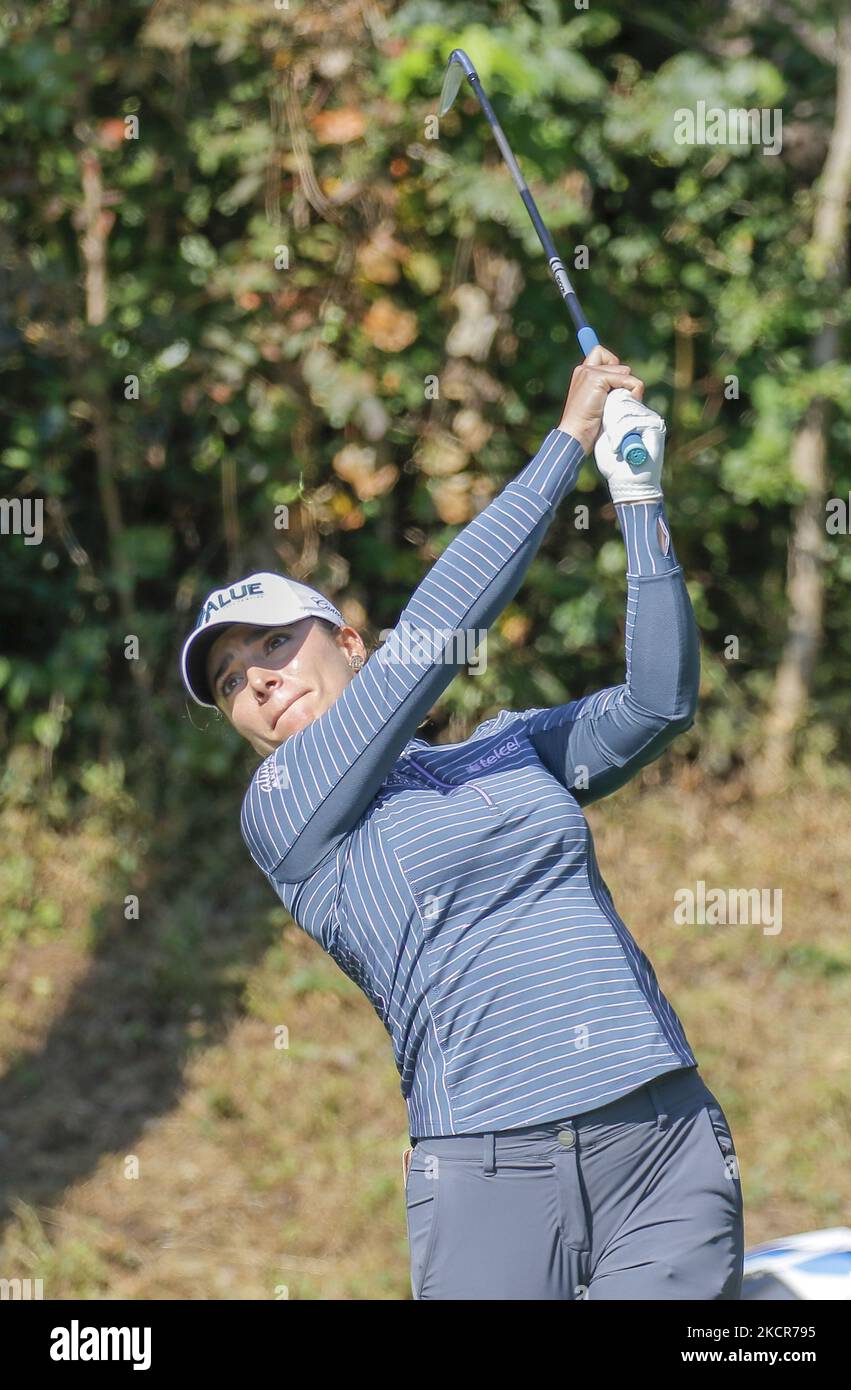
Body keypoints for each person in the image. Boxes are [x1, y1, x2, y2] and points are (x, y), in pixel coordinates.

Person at [179, 346, 744, 1300]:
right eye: (232, 680)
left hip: (658, 1134)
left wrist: (640, 504)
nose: (259, 679)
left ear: (347, 641)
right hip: (488, 1171)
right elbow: (435, 639)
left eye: (276, 644)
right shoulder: (285, 810)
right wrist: (567, 440)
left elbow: (657, 705)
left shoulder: (504, 747)